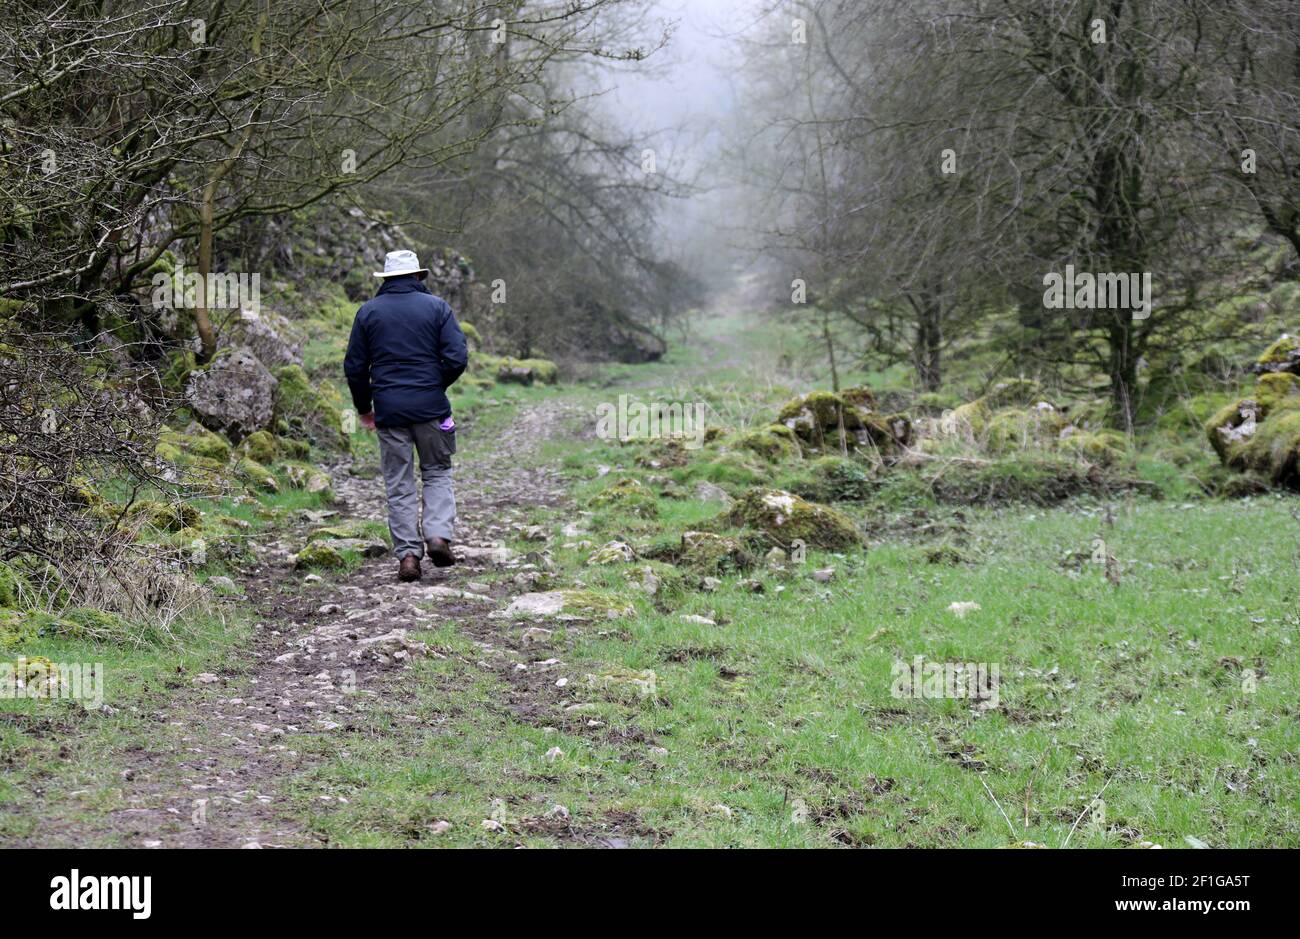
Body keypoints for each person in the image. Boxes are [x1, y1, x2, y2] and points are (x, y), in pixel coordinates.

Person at [343, 249, 468, 582]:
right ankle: (438, 536)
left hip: (389, 411)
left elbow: (354, 367)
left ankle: (409, 556)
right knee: (438, 471)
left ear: (385, 279)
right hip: (433, 410)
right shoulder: (438, 308)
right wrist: (432, 385)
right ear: (417, 276)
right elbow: (457, 358)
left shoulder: (368, 313)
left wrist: (364, 408)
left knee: (399, 484)